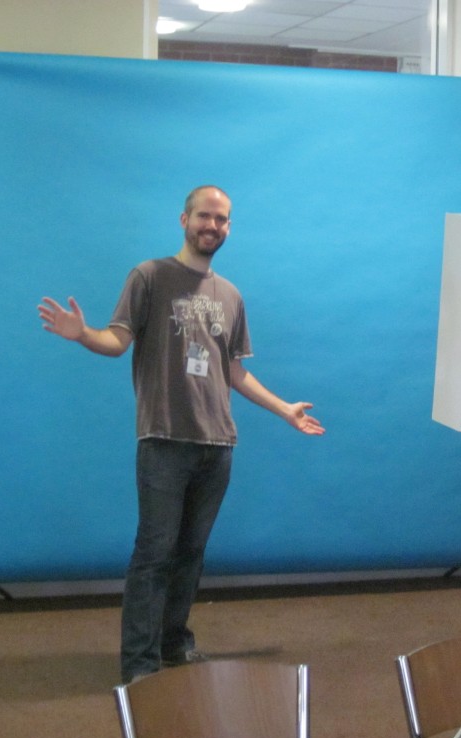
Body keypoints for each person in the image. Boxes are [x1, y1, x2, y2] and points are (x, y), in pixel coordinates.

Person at [38, 185, 325, 683]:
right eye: (204, 217)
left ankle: (174, 643)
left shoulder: (230, 296)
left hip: (218, 446)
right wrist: (82, 334)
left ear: (229, 227)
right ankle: (140, 664)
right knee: (154, 555)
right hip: (164, 442)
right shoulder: (149, 277)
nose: (213, 226)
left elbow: (233, 370)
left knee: (190, 554)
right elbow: (116, 340)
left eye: (222, 220)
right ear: (184, 219)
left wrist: (284, 410)